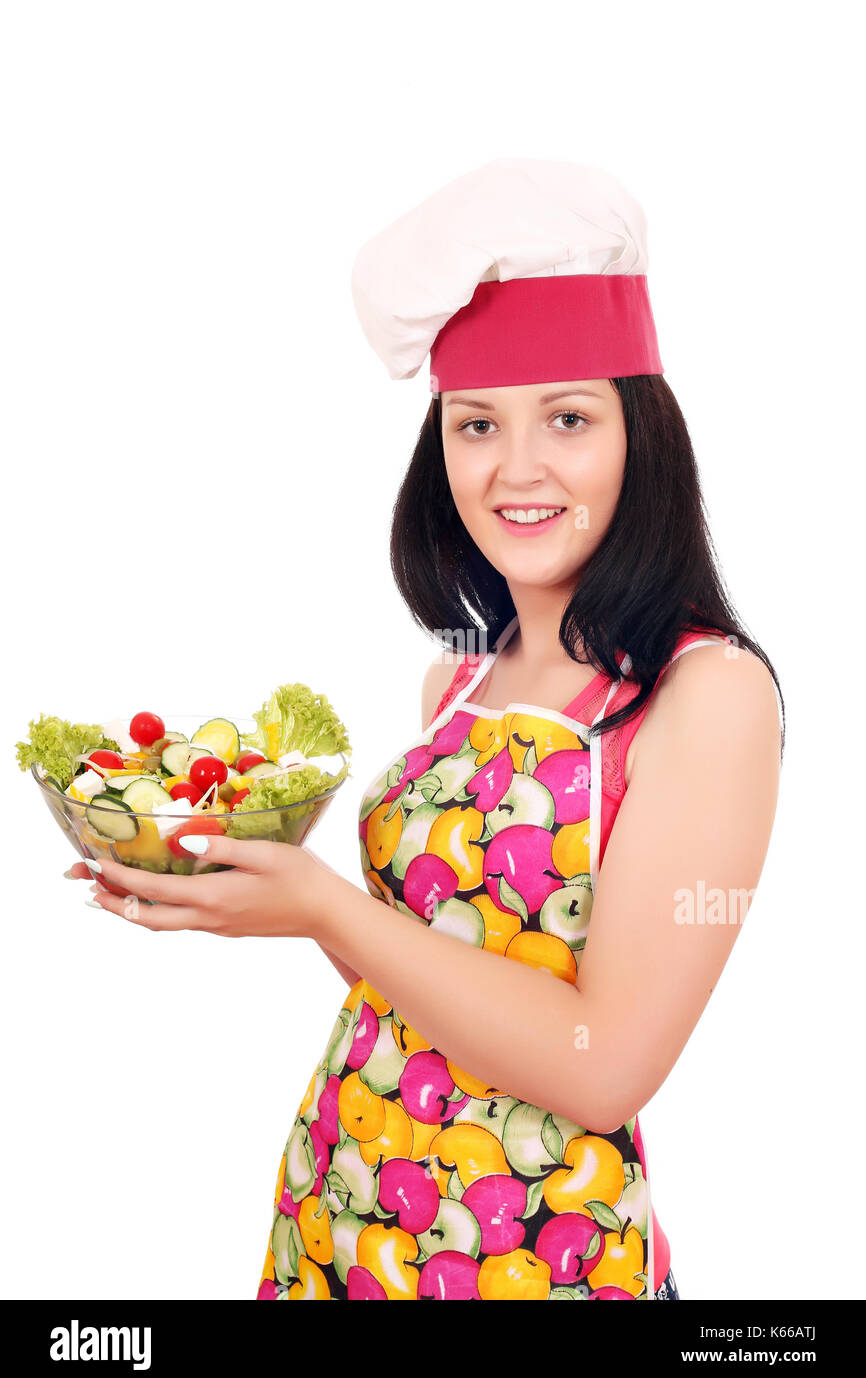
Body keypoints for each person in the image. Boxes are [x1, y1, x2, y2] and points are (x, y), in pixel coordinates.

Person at [74, 158, 784, 1301]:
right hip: (342, 1211)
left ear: (639, 435)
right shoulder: (451, 687)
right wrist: (235, 885)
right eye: (472, 425)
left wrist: (315, 901)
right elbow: (425, 966)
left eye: (566, 418)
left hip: (528, 1257)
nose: (514, 470)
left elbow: (601, 1067)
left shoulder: (706, 694)